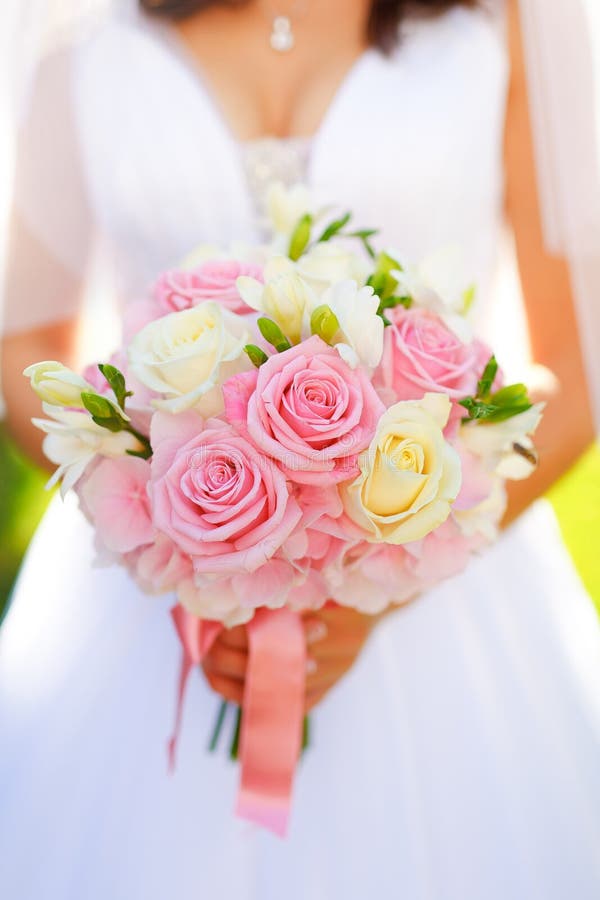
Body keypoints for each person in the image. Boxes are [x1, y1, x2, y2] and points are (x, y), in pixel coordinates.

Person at [1, 1, 599, 897]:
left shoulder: (499, 26)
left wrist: (383, 572)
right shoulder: (84, 44)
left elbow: (580, 361)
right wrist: (172, 521)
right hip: (149, 609)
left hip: (442, 607)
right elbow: (21, 345)